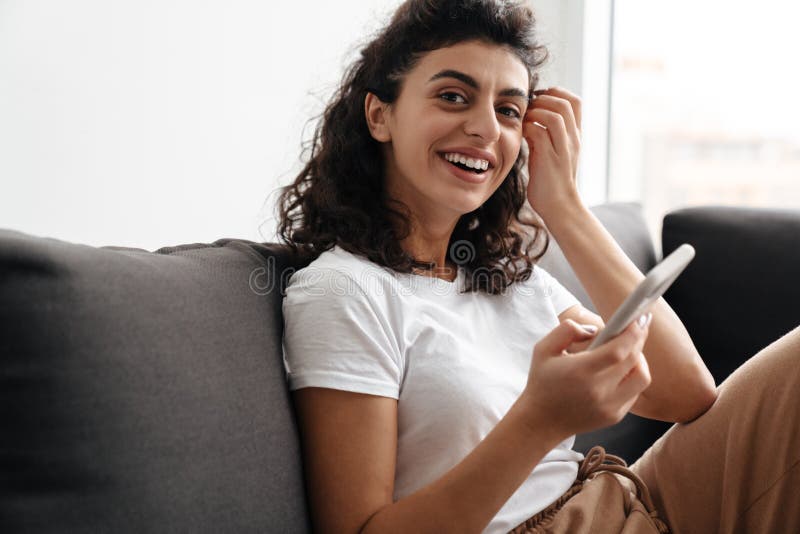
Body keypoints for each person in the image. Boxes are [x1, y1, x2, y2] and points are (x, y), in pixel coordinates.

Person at [276, 1, 800, 532]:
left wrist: (565, 206)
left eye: (508, 110)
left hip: (629, 506)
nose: (484, 128)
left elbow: (687, 394)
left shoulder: (506, 278)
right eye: (453, 96)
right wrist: (540, 419)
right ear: (379, 115)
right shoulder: (342, 291)